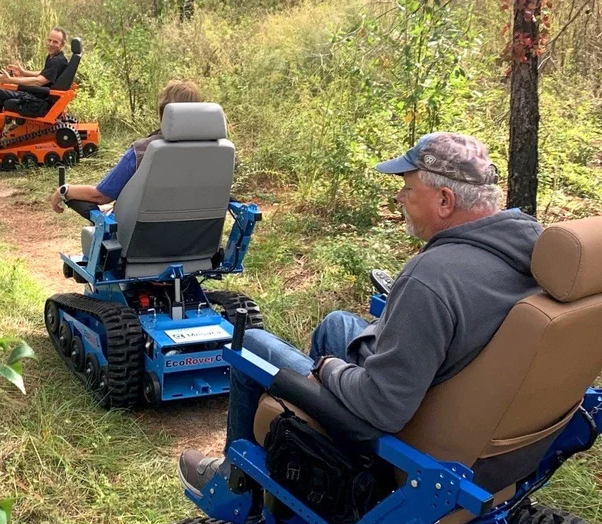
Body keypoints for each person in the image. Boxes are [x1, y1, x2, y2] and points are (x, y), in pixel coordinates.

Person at [178, 131, 545, 494]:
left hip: (402, 436)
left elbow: (382, 407)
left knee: (253, 344)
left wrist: (330, 369)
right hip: (466, 414)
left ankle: (232, 482)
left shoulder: (432, 278)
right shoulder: (530, 249)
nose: (399, 196)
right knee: (336, 325)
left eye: (408, 188)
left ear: (445, 201)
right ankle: (297, 458)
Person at [49, 80, 203, 219]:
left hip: (146, 241)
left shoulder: (144, 151)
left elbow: (100, 196)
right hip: (199, 241)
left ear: (163, 112)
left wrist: (65, 190)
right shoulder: (218, 153)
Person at [0, 27, 69, 139]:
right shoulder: (56, 57)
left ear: (62, 44)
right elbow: (43, 74)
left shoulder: (57, 61)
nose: (51, 44)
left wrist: (10, 80)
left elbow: (39, 81)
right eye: (49, 40)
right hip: (40, 96)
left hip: (38, 100)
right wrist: (23, 72)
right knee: (1, 91)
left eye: (55, 42)